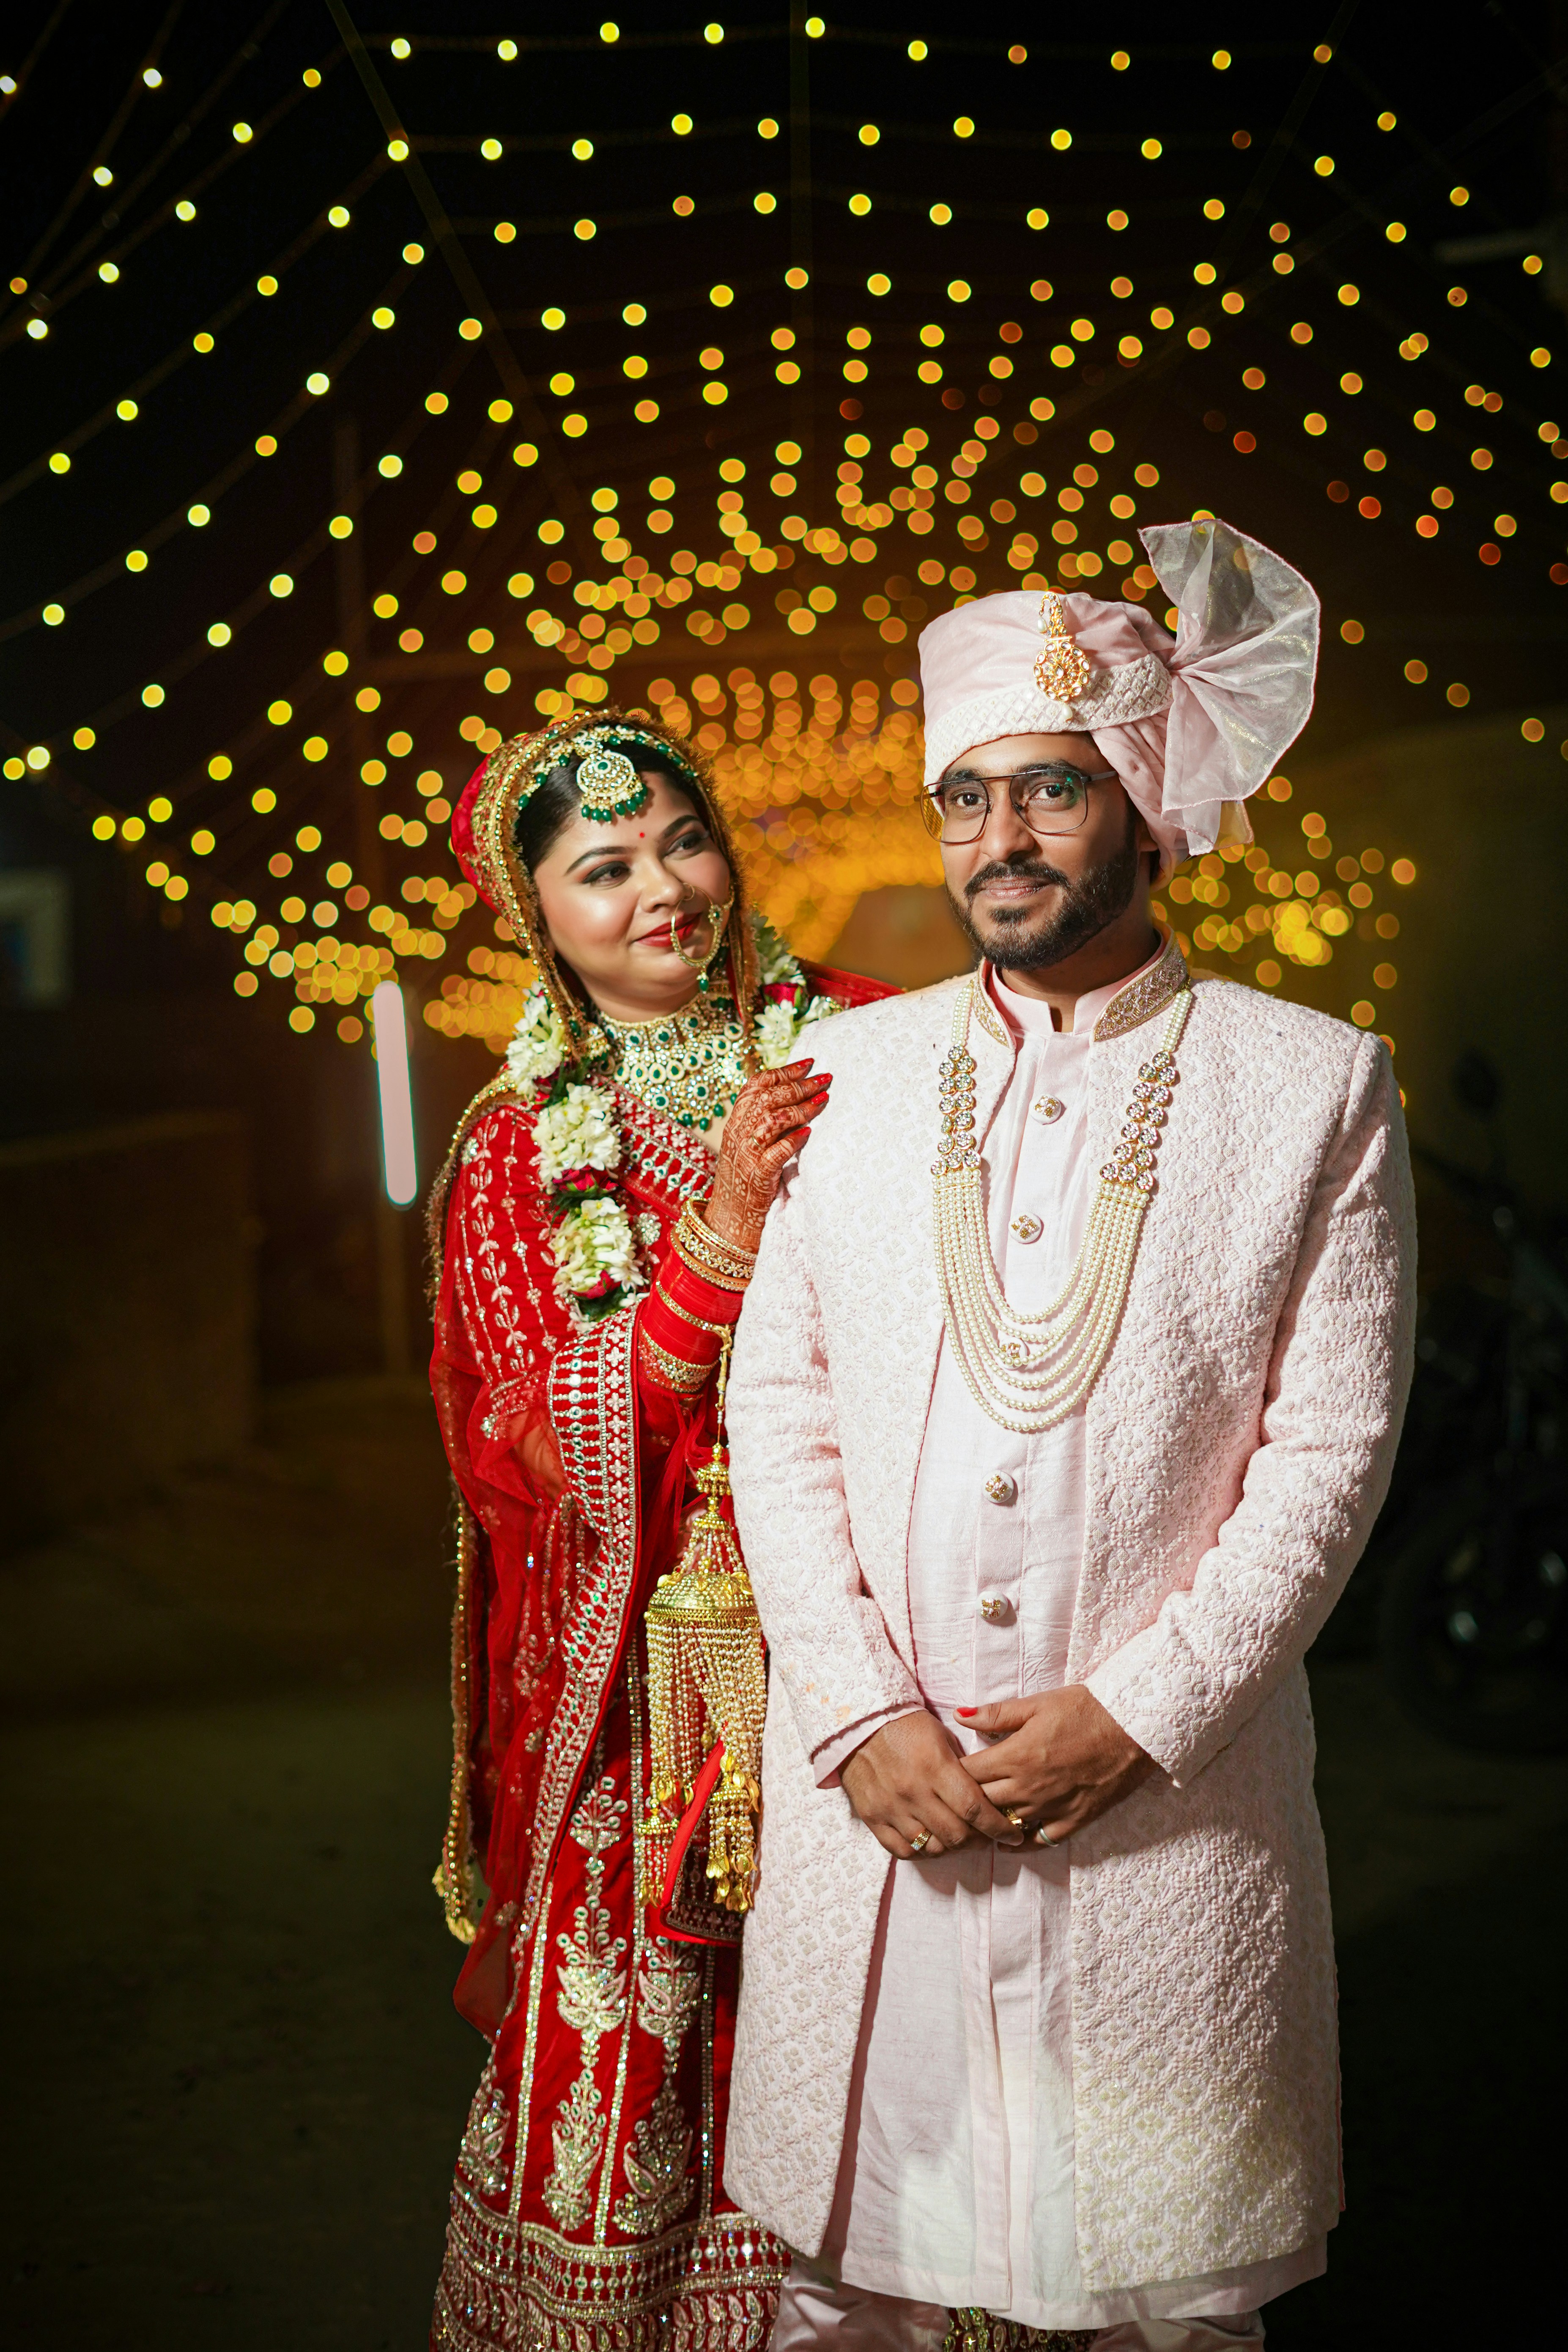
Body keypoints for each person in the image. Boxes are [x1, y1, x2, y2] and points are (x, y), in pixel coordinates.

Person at [721, 521, 1417, 2351]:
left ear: (1155, 804)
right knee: (849, 2284)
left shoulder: (1314, 1082)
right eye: (967, 797)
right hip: (881, 1804)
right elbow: (775, 1404)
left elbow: (1329, 1449)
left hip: (1165, 1811)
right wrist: (858, 1715)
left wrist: (1144, 1710)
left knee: (1166, 2297)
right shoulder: (847, 1078)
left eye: (1050, 789)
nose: (998, 839)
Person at [425, 706, 891, 2352]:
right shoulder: (509, 1152)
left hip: (885, 1646)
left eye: (682, 839)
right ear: (533, 914)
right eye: (602, 868)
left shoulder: (873, 1043)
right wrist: (717, 1233)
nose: (663, 888)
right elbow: (537, 1436)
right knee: (665, 2049)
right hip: (656, 1708)